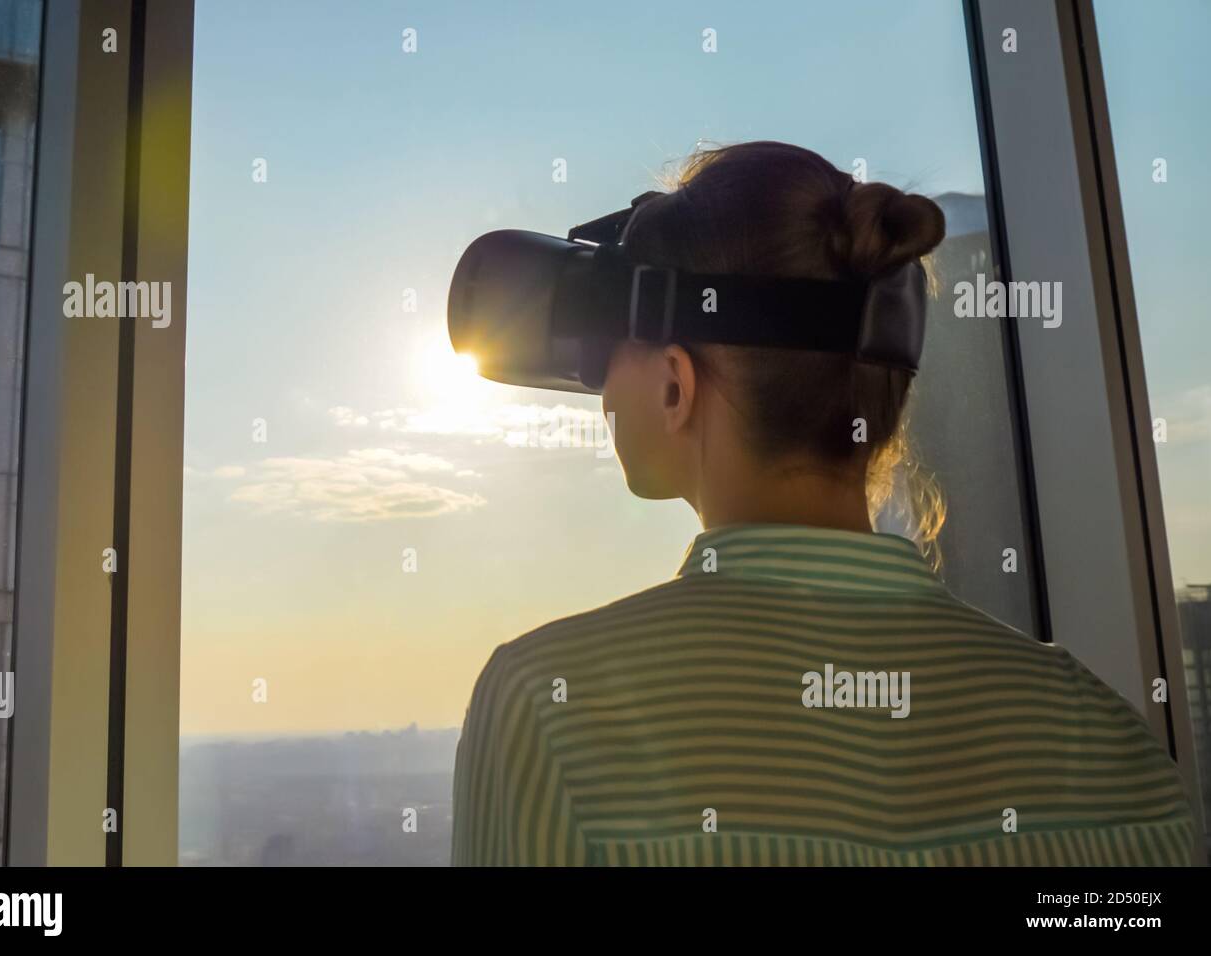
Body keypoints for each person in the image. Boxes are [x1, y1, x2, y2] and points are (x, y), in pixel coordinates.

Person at [450, 141, 1196, 866]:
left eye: (604, 355)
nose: (601, 390)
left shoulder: (551, 708)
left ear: (676, 386)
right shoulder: (1100, 731)